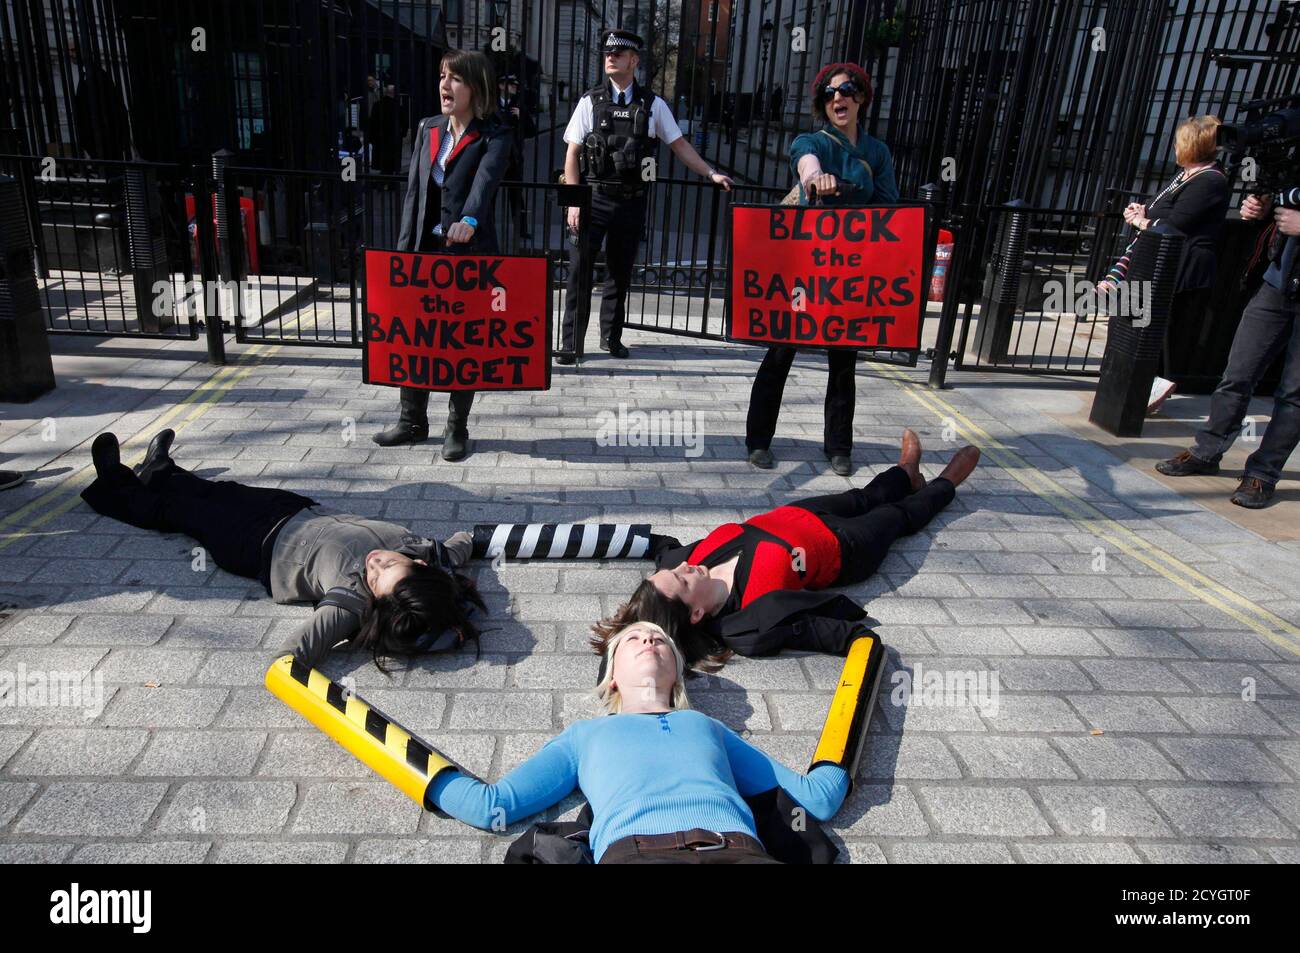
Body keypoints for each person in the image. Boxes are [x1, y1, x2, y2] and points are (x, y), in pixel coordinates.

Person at [424, 620, 849, 863]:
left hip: (739, 854)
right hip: (638, 857)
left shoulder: (705, 726)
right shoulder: (586, 736)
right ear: (611, 675)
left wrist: (863, 674)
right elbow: (491, 805)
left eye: (660, 639)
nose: (648, 639)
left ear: (678, 674)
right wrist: (363, 728)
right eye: (633, 638)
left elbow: (817, 798)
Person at [79, 429, 484, 670]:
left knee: (177, 512)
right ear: (417, 563)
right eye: (389, 563)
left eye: (376, 577)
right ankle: (162, 472)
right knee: (218, 491)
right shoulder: (432, 553)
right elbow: (468, 541)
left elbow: (298, 651)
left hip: (252, 544)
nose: (375, 563)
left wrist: (291, 674)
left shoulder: (351, 600)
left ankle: (113, 482)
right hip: (294, 509)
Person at [593, 430, 979, 668]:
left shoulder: (682, 563)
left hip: (798, 515)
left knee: (865, 495)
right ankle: (946, 483)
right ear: (695, 613)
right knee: (898, 515)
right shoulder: (749, 621)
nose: (685, 568)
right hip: (845, 548)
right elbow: (819, 631)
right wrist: (861, 646)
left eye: (673, 569)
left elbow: (661, 546)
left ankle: (906, 471)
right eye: (682, 580)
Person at [744, 62, 899, 476]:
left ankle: (839, 447)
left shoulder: (877, 153)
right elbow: (804, 160)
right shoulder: (814, 140)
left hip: (849, 269)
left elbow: (889, 209)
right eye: (830, 93)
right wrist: (816, 178)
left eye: (846, 90)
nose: (838, 98)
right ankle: (758, 441)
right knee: (780, 352)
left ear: (861, 96)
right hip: (803, 267)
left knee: (844, 359)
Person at [557, 28, 733, 365]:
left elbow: (679, 146)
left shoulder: (653, 105)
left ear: (634, 60)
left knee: (619, 273)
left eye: (618, 54)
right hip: (592, 199)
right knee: (579, 272)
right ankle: (570, 344)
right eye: (607, 53)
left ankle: (611, 337)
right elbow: (572, 153)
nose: (610, 57)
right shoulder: (589, 101)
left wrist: (710, 173)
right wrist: (573, 203)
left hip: (630, 201)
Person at [372, 50, 513, 461]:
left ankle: (457, 427)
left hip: (466, 255)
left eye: (455, 79)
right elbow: (414, 197)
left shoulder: (496, 133)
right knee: (415, 338)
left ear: (476, 87)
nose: (444, 86)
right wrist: (402, 255)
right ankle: (411, 421)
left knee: (458, 342)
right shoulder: (427, 129)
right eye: (441, 77)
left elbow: (484, 185)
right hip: (421, 254)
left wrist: (468, 220)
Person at [1155, 188, 1300, 508]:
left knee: (1293, 394)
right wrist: (1262, 208)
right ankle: (1207, 452)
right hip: (1278, 283)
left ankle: (1263, 473)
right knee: (1237, 373)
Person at [1096, 115, 1231, 412]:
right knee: (1132, 319)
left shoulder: (1210, 181)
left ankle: (1148, 388)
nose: (1173, 146)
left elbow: (1177, 223)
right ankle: (1132, 384)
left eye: (1177, 141)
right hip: (1155, 261)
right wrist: (1142, 210)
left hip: (1181, 266)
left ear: (1189, 144)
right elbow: (1163, 210)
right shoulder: (1184, 175)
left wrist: (1143, 221)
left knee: (1158, 330)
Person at [497, 72, 537, 241]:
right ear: (501, 86)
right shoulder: (491, 105)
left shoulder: (519, 106)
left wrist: (522, 118)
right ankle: (484, 228)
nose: (515, 87)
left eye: (515, 84)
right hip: (494, 158)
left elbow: (531, 131)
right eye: (511, 84)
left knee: (517, 196)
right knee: (488, 194)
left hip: (514, 159)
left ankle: (522, 230)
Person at [365, 83, 402, 175]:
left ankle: (382, 182)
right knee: (391, 164)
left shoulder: (377, 105)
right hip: (393, 139)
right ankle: (391, 183)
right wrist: (402, 133)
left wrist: (371, 137)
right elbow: (403, 123)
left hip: (379, 139)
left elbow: (372, 122)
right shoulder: (397, 106)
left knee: (382, 163)